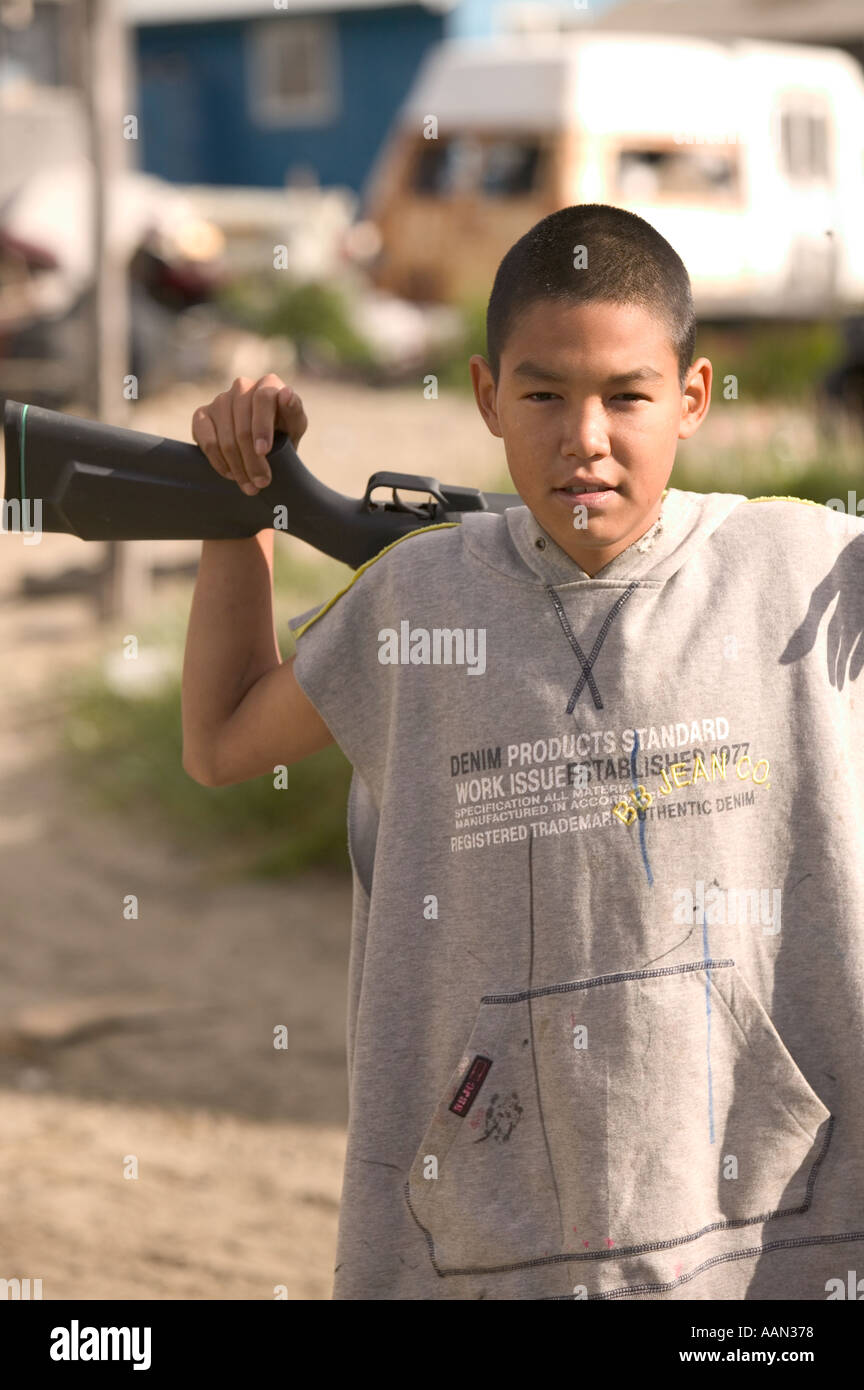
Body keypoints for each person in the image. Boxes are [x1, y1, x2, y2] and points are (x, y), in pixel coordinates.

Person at [182, 204, 864, 1301]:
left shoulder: (808, 572)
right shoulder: (419, 596)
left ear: (692, 397)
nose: (583, 436)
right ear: (487, 394)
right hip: (485, 1237)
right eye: (543, 393)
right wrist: (238, 509)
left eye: (628, 395)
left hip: (770, 1242)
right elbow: (222, 741)